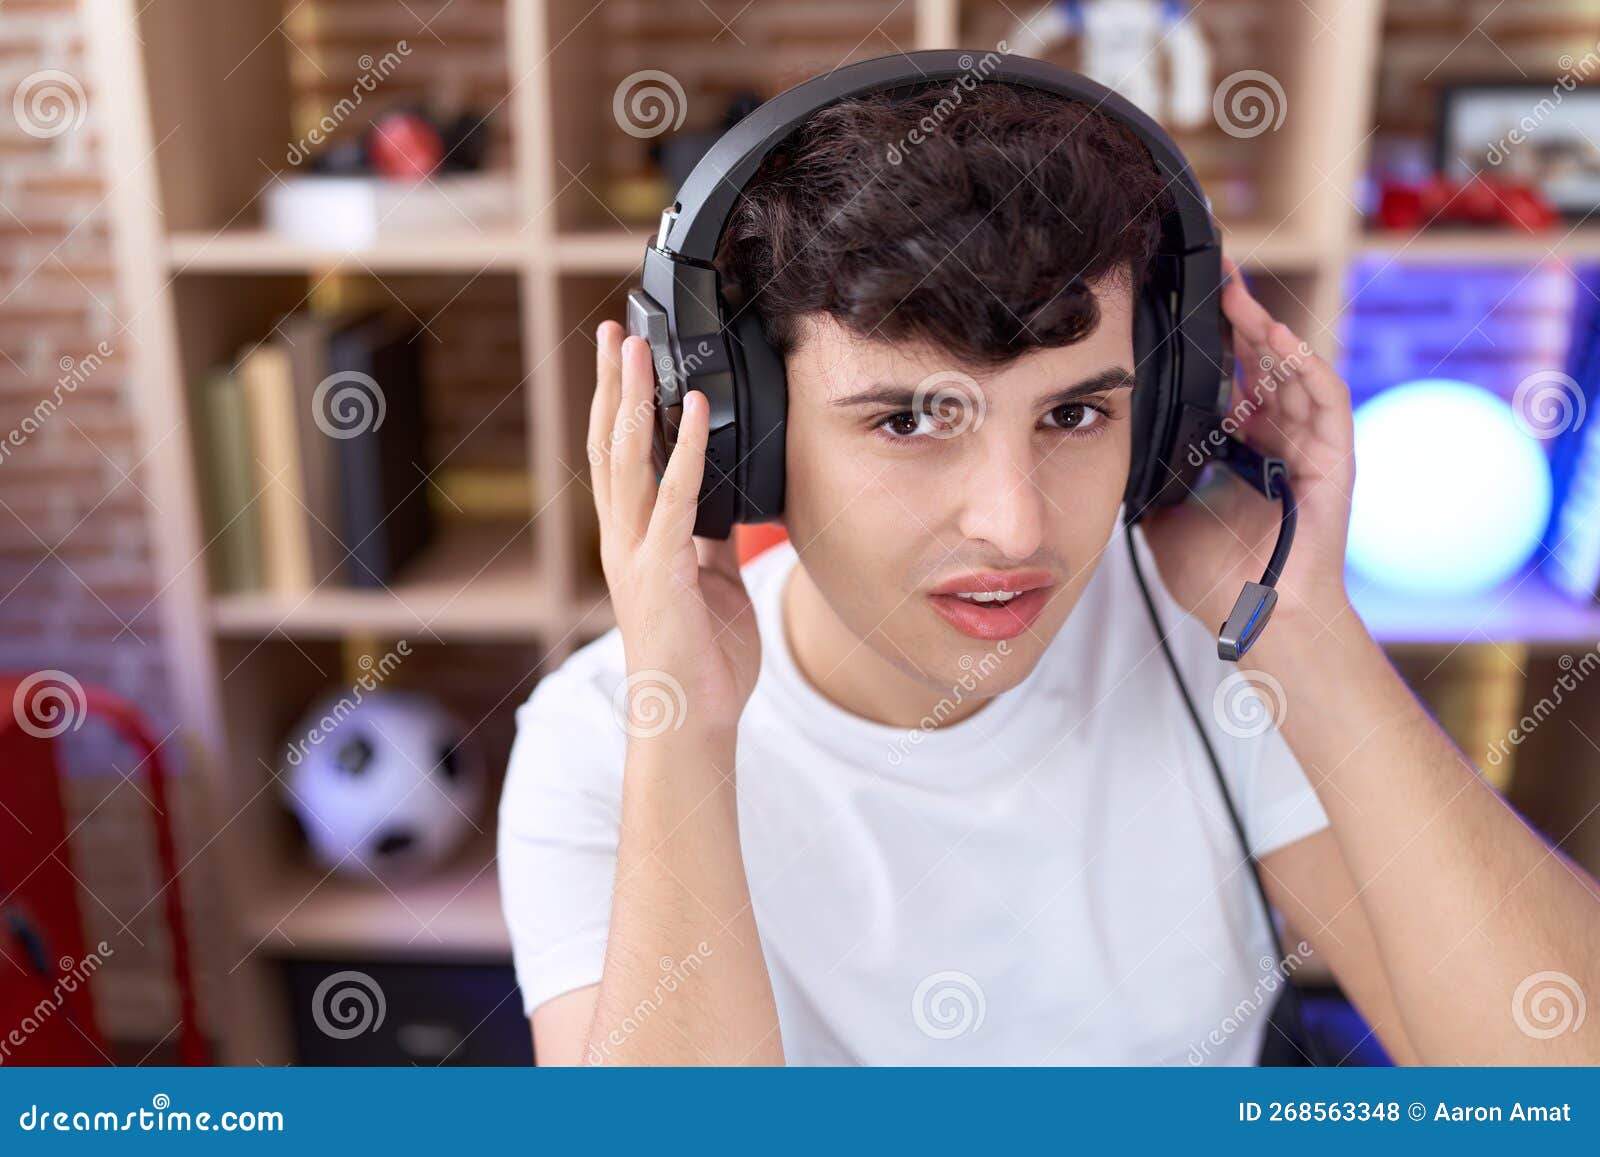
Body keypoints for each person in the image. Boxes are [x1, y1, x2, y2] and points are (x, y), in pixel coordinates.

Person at [498, 82, 1600, 1066]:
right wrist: (682, 726)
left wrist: (1305, 627)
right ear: (750, 439)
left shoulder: (1219, 644)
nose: (1014, 524)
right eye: (910, 417)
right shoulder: (599, 737)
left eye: (1076, 412)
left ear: (1168, 409)